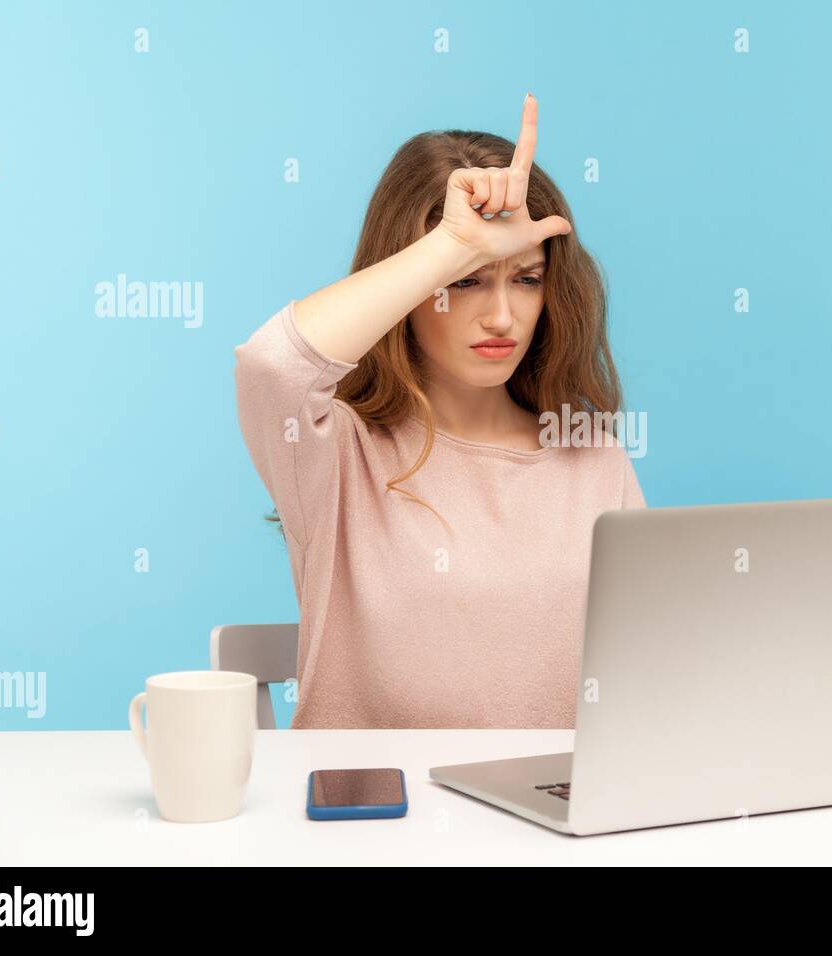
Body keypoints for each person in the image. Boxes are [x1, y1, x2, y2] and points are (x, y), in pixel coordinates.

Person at [233, 93, 646, 729]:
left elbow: (647, 665)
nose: (502, 317)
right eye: (464, 281)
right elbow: (272, 364)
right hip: (381, 795)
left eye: (527, 279)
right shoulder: (336, 452)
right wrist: (450, 244)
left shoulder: (590, 451)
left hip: (556, 794)